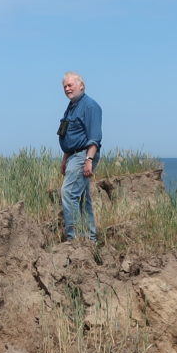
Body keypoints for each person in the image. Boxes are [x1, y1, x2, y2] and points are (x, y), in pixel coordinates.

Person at [57, 72, 102, 241]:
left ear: (81, 86)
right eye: (65, 86)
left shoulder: (90, 106)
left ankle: (74, 239)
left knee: (68, 193)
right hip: (73, 156)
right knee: (83, 197)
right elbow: (69, 135)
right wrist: (65, 159)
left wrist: (89, 160)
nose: (67, 89)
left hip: (83, 155)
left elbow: (95, 137)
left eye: (70, 85)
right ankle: (90, 238)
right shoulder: (71, 107)